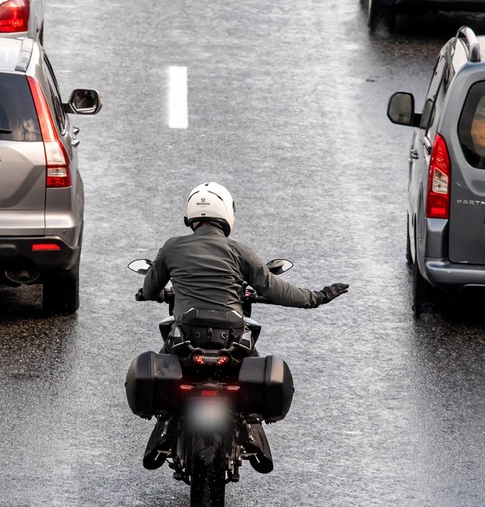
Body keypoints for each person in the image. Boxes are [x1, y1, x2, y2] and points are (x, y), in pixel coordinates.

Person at [136, 182, 349, 473]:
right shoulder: (240, 252)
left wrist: (155, 292)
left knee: (164, 367)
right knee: (252, 378)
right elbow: (275, 289)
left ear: (191, 215)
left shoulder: (173, 247)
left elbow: (149, 289)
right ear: (227, 214)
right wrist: (317, 297)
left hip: (185, 336)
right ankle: (255, 438)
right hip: (232, 338)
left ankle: (161, 435)